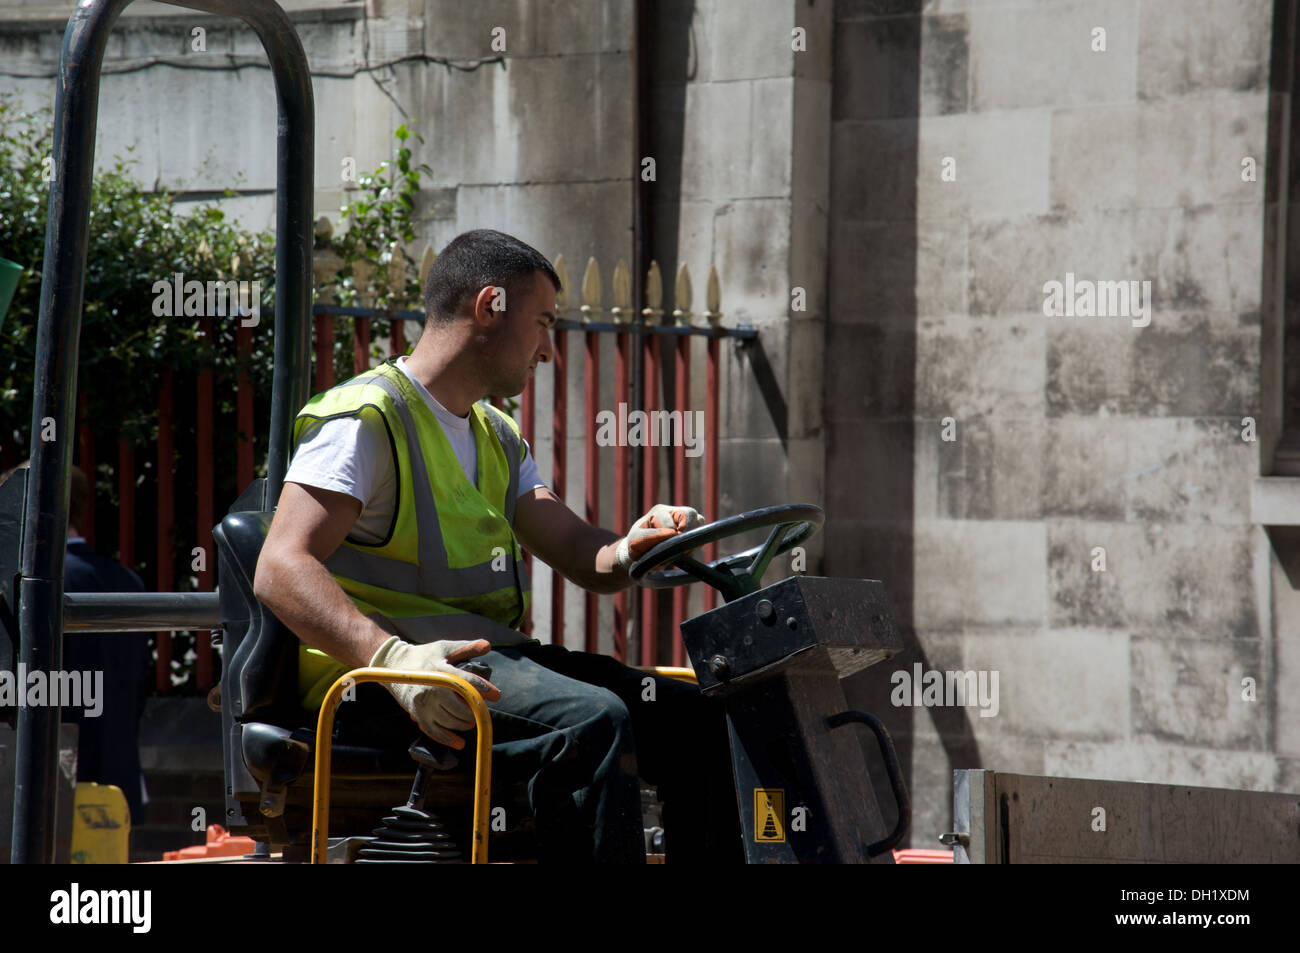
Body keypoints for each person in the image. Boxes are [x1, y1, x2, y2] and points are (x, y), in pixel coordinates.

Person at [255, 229, 741, 863]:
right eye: (542, 322)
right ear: (490, 306)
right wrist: (400, 662)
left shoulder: (496, 435)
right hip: (379, 683)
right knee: (589, 721)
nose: (548, 348)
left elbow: (575, 548)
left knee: (699, 719)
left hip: (483, 667)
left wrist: (631, 546)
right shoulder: (366, 419)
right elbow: (280, 566)